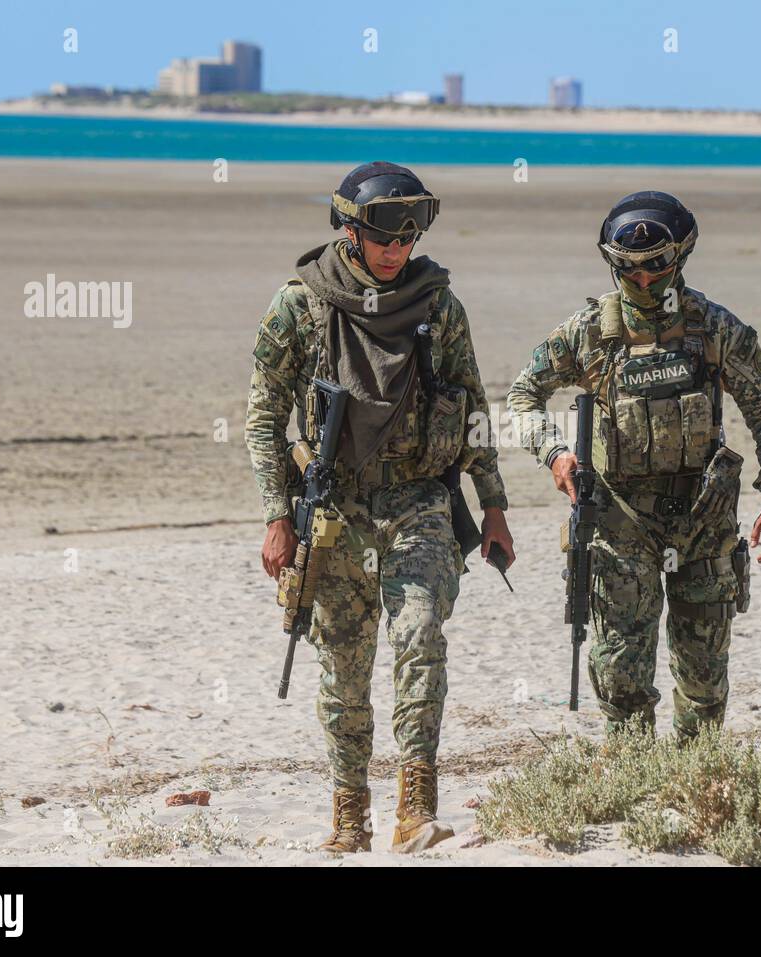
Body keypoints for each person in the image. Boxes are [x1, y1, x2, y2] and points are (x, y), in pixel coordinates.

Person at [246, 161, 513, 852]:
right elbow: (263, 415)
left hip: (420, 498)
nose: (398, 248)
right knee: (343, 663)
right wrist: (278, 514)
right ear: (350, 228)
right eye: (384, 233)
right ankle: (348, 812)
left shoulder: (438, 306)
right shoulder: (301, 304)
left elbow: (473, 407)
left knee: (420, 631)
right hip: (335, 508)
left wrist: (493, 506)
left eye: (410, 233)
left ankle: (415, 804)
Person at [506, 190, 761, 739]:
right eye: (629, 269)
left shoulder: (715, 329)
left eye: (656, 266)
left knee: (705, 678)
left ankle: (697, 786)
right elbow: (523, 396)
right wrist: (555, 452)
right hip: (619, 522)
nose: (643, 280)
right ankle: (632, 785)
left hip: (704, 517)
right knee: (620, 676)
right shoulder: (589, 333)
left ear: (681, 257)